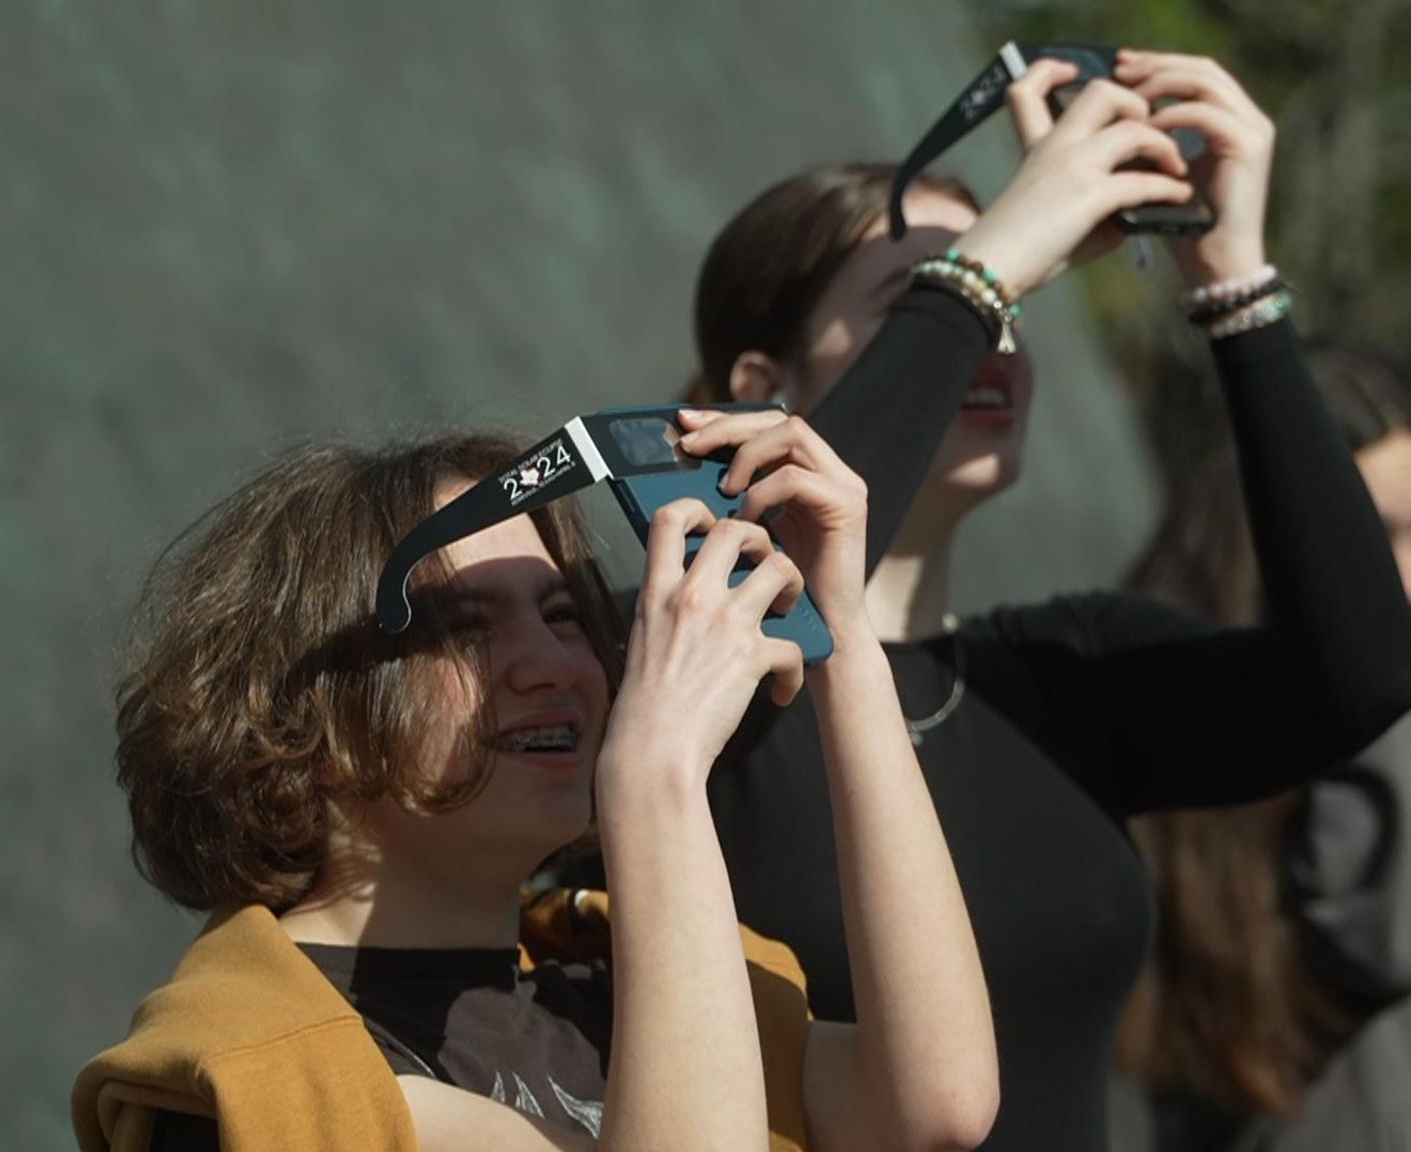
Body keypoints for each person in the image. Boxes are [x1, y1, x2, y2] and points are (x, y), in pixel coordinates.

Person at [660, 49, 1411, 1151]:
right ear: (757, 390)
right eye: (927, 301)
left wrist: (1234, 284)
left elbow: (1361, 678)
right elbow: (775, 580)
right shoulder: (691, 671)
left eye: (1013, 309)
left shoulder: (1062, 675)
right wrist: (982, 266)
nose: (995, 339)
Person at [72, 420, 997, 1152]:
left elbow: (936, 1104)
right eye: (466, 630)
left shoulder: (615, 986)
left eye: (565, 617)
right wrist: (657, 772)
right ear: (306, 720)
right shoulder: (263, 1073)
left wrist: (840, 632)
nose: (556, 663)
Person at [1116, 345, 1411, 1151]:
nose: (1405, 574)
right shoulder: (1164, 688)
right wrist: (1368, 689)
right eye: (1366, 532)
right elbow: (1384, 937)